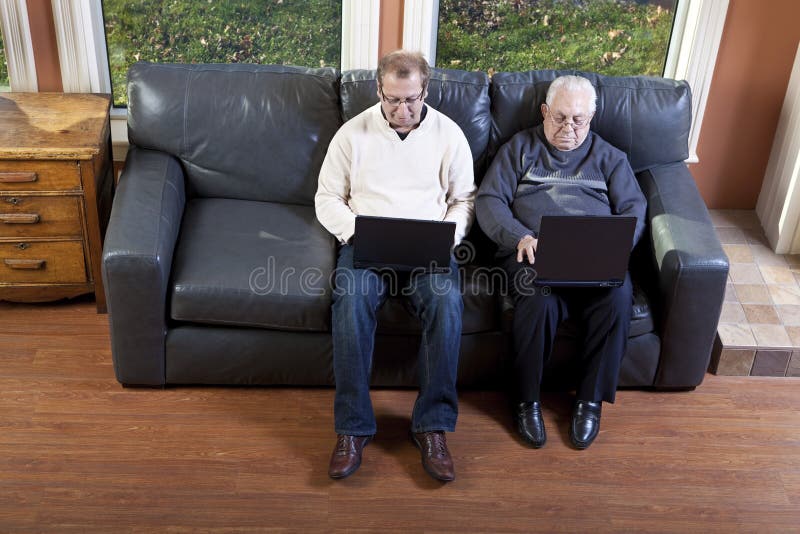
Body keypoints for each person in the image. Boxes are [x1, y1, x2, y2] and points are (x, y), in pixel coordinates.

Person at [315, 50, 475, 481]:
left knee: (447, 303)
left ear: (426, 90)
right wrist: (356, 233)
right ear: (379, 91)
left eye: (411, 100)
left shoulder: (449, 135)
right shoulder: (353, 134)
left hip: (429, 249)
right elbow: (326, 198)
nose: (402, 110)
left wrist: (448, 236)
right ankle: (352, 429)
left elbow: (464, 199)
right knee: (349, 302)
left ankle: (433, 426)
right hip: (368, 245)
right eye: (392, 100)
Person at [475, 75, 646, 450]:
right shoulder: (518, 148)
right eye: (561, 117)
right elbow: (489, 201)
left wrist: (614, 246)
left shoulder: (610, 158)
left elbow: (634, 209)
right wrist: (518, 236)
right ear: (544, 111)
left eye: (579, 120)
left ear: (592, 117)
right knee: (538, 300)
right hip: (532, 253)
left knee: (617, 299)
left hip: (594, 254)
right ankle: (526, 401)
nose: (569, 127)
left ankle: (589, 401)